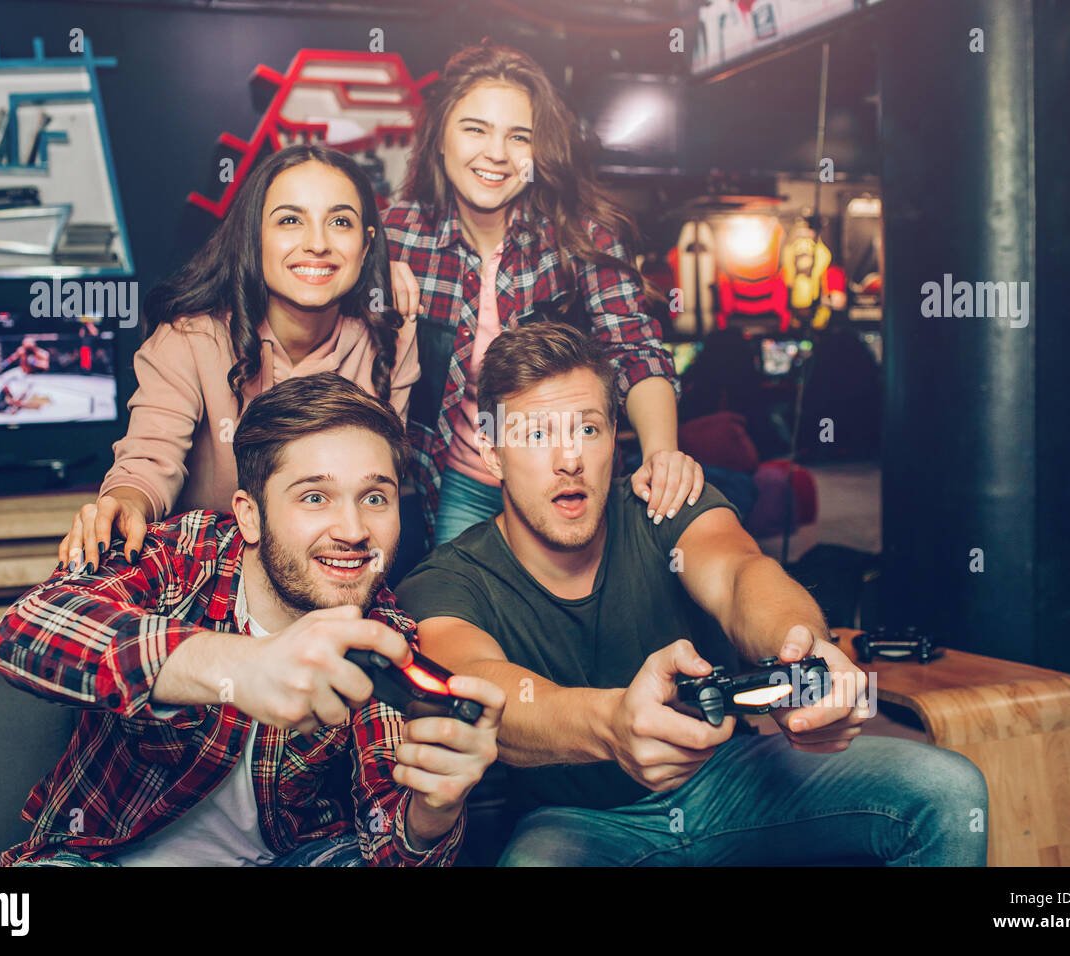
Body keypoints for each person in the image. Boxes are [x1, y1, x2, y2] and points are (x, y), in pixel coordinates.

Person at [395, 323, 989, 866]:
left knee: (947, 790)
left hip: (729, 779)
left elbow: (739, 575)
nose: (569, 458)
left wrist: (802, 651)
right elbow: (480, 687)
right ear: (493, 455)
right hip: (576, 822)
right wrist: (611, 723)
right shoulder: (447, 578)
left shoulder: (662, 504)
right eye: (536, 435)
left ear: (614, 441)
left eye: (588, 429)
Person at [0, 374, 503, 866]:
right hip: (105, 856)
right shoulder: (181, 555)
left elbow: (387, 845)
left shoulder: (383, 632)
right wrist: (240, 665)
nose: (353, 530)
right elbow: (28, 631)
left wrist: (433, 811)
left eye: (374, 498)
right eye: (314, 497)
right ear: (250, 514)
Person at [383, 42, 702, 546]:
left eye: (519, 137)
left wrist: (661, 453)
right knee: (469, 615)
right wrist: (374, 285)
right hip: (454, 486)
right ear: (439, 139)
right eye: (475, 129)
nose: (496, 153)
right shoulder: (397, 234)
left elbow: (634, 350)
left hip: (568, 479)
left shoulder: (583, 232)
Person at [58, 145, 419, 575]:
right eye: (290, 220)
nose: (318, 243)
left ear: (366, 244)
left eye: (340, 222)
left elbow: (378, 492)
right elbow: (149, 460)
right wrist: (126, 506)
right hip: (205, 581)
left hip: (337, 578)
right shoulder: (191, 337)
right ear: (254, 236)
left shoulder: (391, 334)